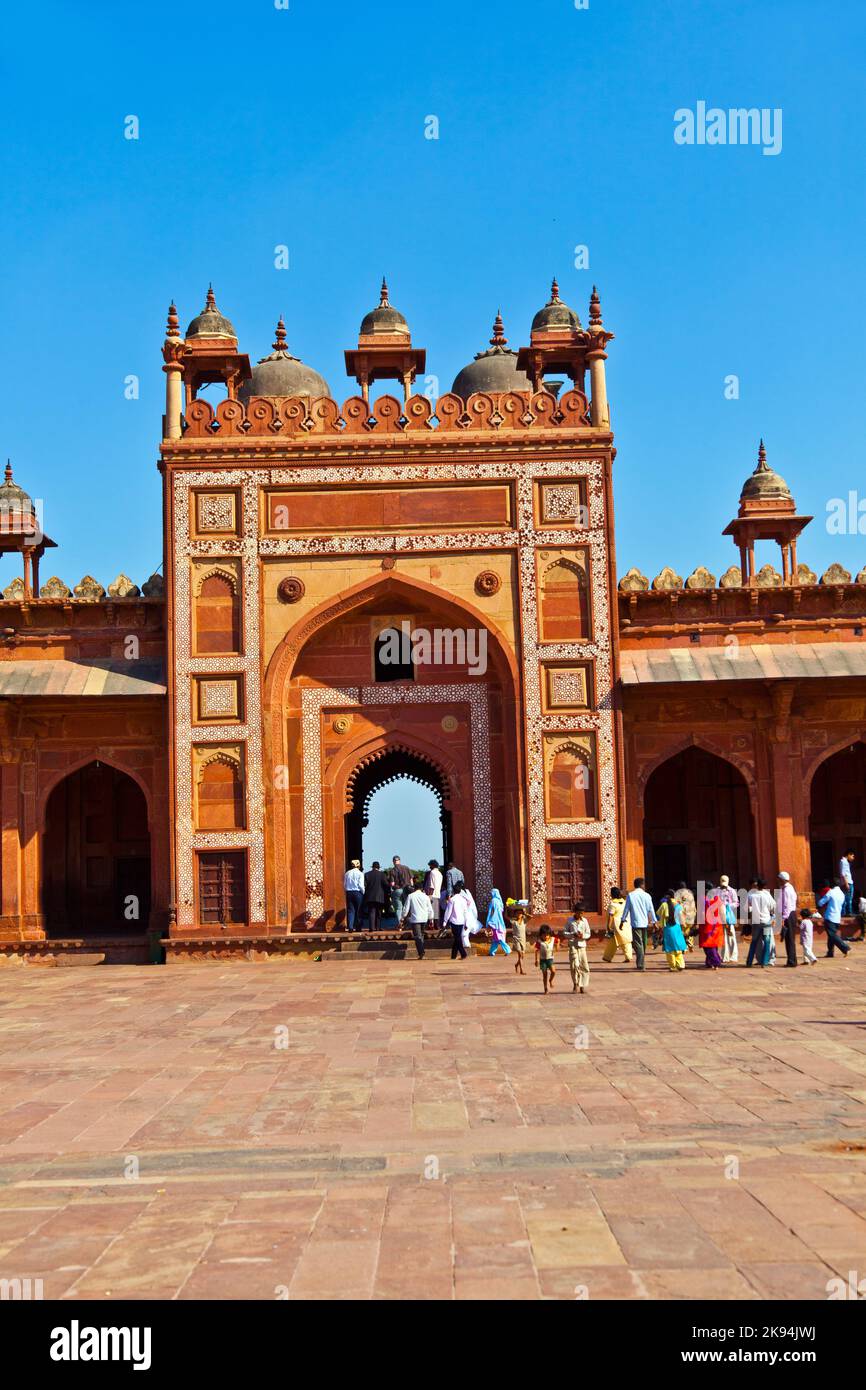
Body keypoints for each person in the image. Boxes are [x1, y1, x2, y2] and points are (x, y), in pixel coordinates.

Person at [620, 877, 657, 971]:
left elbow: (626, 909)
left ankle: (641, 964)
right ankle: (641, 962)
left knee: (638, 943)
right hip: (644, 923)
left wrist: (622, 920)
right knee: (642, 943)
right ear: (642, 885)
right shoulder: (647, 896)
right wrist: (654, 921)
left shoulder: (631, 895)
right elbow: (651, 909)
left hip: (636, 923)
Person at [443, 879, 477, 960]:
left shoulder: (452, 899)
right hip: (461, 921)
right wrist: (466, 923)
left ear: (454, 891)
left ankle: (463, 953)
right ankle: (453, 955)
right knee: (457, 938)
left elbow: (448, 911)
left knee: (457, 938)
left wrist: (445, 922)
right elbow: (465, 912)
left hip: (454, 921)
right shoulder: (463, 899)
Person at [746, 877, 776, 967]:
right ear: (764, 886)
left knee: (754, 941)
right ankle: (765, 962)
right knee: (767, 942)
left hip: (756, 922)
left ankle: (749, 962)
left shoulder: (752, 896)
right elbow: (772, 907)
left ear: (757, 885)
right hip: (766, 922)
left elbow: (747, 908)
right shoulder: (767, 895)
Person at [817, 879, 851, 958]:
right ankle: (830, 952)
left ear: (832, 885)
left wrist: (819, 904)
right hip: (837, 917)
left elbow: (821, 902)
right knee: (831, 935)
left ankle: (845, 947)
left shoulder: (831, 892)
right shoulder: (842, 894)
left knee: (832, 935)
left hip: (830, 916)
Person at [562, 901, 591, 993]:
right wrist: (572, 935)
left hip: (582, 946)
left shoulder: (585, 921)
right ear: (575, 912)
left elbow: (588, 933)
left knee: (584, 965)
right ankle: (575, 984)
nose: (581, 915)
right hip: (573, 946)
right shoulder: (570, 921)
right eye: (579, 913)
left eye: (582, 913)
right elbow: (564, 933)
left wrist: (583, 936)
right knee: (574, 965)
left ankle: (582, 985)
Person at [401, 880, 434, 959]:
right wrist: (431, 919)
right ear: (422, 888)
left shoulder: (411, 896)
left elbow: (406, 908)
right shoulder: (426, 896)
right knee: (421, 935)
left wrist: (402, 917)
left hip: (415, 919)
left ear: (414, 888)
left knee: (417, 936)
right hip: (424, 918)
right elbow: (430, 909)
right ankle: (421, 951)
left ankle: (421, 952)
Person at [602, 886, 632, 963]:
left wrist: (608, 926)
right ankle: (607, 957)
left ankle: (628, 956)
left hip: (616, 924)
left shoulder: (613, 904)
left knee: (623, 940)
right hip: (626, 923)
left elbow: (611, 916)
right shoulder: (624, 902)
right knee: (617, 940)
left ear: (612, 895)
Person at [700, 883, 724, 969]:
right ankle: (709, 962)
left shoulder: (703, 899)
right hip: (717, 924)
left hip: (707, 924)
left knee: (708, 944)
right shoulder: (717, 899)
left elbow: (701, 913)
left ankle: (716, 961)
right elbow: (722, 912)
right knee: (714, 944)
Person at [777, 871, 799, 967]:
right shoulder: (788, 888)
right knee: (789, 938)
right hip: (790, 914)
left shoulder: (787, 890)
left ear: (782, 880)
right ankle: (792, 960)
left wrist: (783, 918)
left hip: (788, 915)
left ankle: (791, 961)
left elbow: (787, 906)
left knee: (789, 938)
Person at [663, 895, 688, 971]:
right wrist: (685, 928)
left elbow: (661, 917)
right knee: (678, 948)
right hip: (677, 928)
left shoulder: (664, 905)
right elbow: (682, 920)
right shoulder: (678, 907)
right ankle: (680, 964)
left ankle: (673, 966)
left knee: (670, 950)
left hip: (668, 929)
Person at [363, 860, 388, 934]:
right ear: (378, 867)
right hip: (380, 896)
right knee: (379, 912)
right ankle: (378, 927)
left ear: (372, 867)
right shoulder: (382, 874)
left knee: (371, 912)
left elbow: (365, 885)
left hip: (370, 896)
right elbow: (386, 885)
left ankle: (371, 928)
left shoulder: (367, 874)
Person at [719, 875, 739, 962]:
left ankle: (733, 956)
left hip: (729, 916)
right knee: (723, 937)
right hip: (720, 916)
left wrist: (728, 906)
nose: (724, 886)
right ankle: (724, 957)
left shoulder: (732, 891)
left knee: (731, 935)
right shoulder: (717, 891)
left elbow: (736, 903)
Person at [486, 889, 511, 956]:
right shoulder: (500, 901)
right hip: (500, 922)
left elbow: (491, 911)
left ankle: (508, 950)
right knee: (496, 938)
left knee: (499, 938)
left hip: (495, 922)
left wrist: (489, 921)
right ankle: (491, 952)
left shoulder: (493, 901)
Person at [674, 882, 697, 952]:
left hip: (683, 915)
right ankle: (690, 945)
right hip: (691, 915)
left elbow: (678, 906)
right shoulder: (690, 894)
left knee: (683, 931)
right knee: (689, 931)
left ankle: (685, 947)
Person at [388, 856, 413, 921]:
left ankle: (400, 924)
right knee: (407, 907)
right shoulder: (406, 868)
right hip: (407, 889)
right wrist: (412, 889)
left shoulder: (392, 870)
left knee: (399, 908)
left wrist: (391, 891)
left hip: (398, 890)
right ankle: (408, 923)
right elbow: (411, 880)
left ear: (393, 862)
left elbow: (392, 883)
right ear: (399, 861)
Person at [343, 859, 364, 932]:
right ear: (359, 865)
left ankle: (350, 927)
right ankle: (358, 927)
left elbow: (345, 885)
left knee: (351, 910)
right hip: (357, 892)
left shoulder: (347, 873)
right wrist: (363, 892)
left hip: (349, 892)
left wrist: (347, 890)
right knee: (359, 910)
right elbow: (361, 885)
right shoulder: (360, 873)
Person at [534, 924, 556, 993]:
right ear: (541, 935)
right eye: (544, 935)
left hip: (550, 959)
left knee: (553, 971)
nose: (546, 937)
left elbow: (558, 941)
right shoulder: (539, 942)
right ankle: (545, 988)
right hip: (543, 960)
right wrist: (536, 960)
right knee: (545, 974)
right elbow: (536, 951)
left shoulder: (552, 939)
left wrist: (557, 947)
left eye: (547, 935)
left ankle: (550, 980)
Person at [509, 904, 528, 975]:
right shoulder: (514, 922)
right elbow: (506, 917)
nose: (519, 914)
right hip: (516, 939)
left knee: (522, 956)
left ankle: (516, 965)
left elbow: (531, 917)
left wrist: (525, 913)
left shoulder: (524, 921)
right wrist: (506, 908)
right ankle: (522, 970)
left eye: (520, 913)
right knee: (520, 954)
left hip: (523, 940)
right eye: (517, 913)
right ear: (515, 914)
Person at [424, 859, 443, 926]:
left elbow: (431, 885)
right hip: (438, 894)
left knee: (431, 911)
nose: (429, 867)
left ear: (432, 865)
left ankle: (431, 926)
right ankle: (437, 925)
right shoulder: (440, 873)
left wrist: (430, 895)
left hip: (432, 894)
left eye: (430, 865)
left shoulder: (432, 873)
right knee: (436, 911)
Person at [839, 851, 856, 918]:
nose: (853, 858)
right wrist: (846, 883)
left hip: (847, 882)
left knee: (846, 898)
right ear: (848, 855)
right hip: (847, 882)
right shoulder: (843, 862)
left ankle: (845, 912)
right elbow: (843, 873)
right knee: (848, 898)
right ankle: (848, 912)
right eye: (852, 856)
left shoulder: (845, 862)